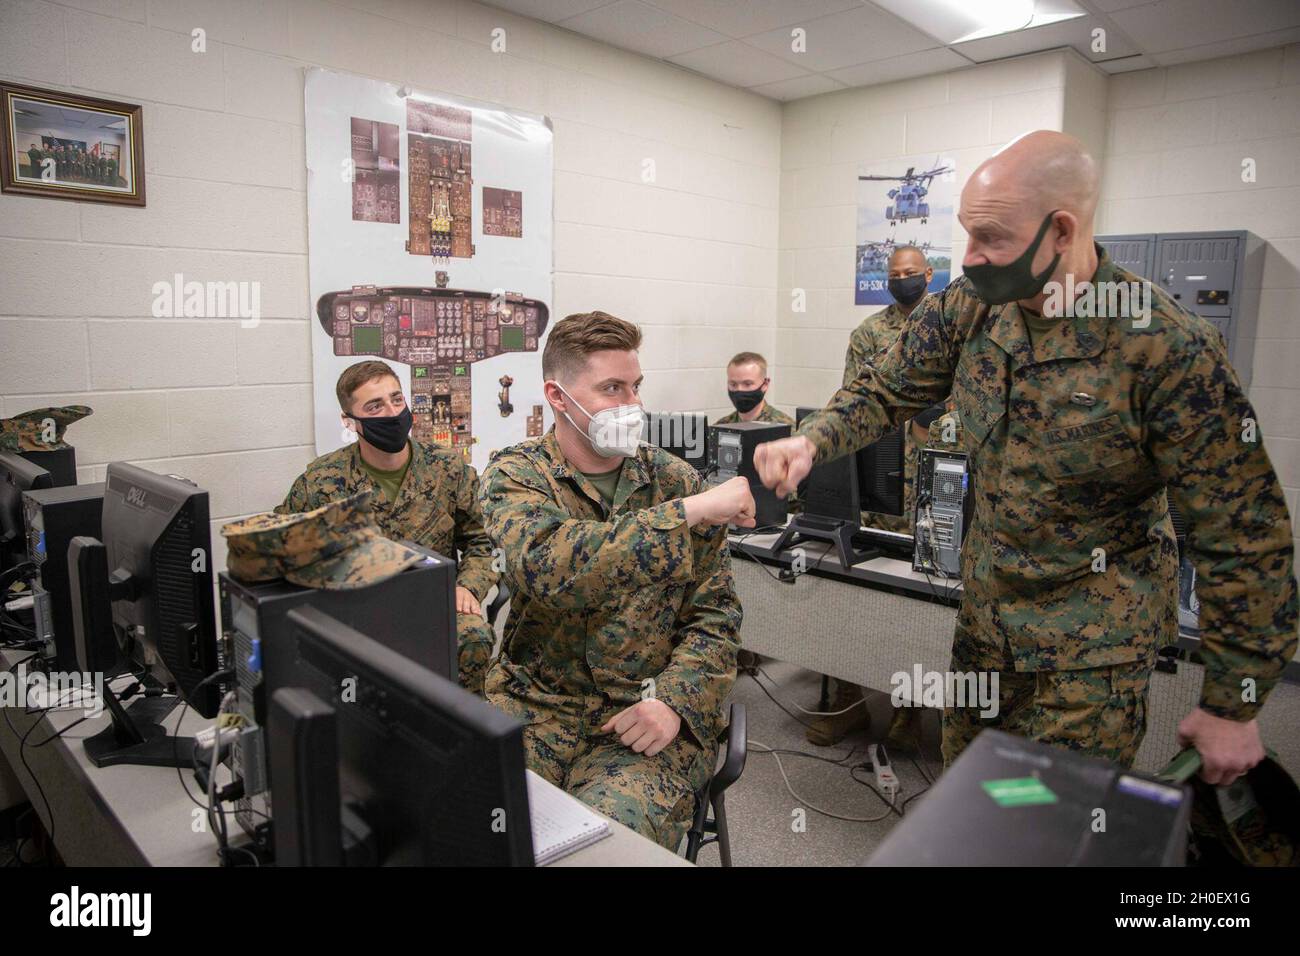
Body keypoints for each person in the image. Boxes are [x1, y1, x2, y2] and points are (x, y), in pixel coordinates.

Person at [755, 130, 1297, 784]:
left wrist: (1234, 702)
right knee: (971, 799)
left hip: (1092, 650)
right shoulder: (974, 307)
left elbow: (1241, 532)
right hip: (989, 624)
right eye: (967, 235)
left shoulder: (1164, 346)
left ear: (1062, 231)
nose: (971, 257)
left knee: (1051, 825)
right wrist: (813, 441)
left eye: (992, 238)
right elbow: (885, 388)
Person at [480, 311, 754, 849]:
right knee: (483, 827)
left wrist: (674, 701)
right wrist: (689, 512)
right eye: (611, 388)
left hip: (642, 714)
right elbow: (549, 567)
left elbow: (715, 617)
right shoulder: (516, 475)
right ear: (558, 397)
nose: (631, 405)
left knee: (606, 843)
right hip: (534, 706)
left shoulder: (674, 479)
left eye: (635, 387)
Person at [276, 360, 499, 695]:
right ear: (349, 421)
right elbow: (283, 547)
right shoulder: (322, 481)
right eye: (375, 406)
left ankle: (462, 729)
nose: (392, 413)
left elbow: (484, 540)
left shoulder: (447, 467)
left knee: (473, 637)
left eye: (397, 399)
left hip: (433, 601)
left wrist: (468, 586)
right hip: (356, 609)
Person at [715, 351, 794, 426]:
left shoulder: (784, 428)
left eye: (747, 384)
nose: (739, 389)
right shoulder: (721, 426)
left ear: (765, 385)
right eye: (733, 384)